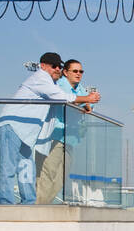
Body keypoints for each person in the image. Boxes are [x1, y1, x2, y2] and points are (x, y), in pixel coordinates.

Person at [0, 53, 99, 204]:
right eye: (53, 66)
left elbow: (70, 98)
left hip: (27, 132)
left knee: (27, 167)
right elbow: (62, 97)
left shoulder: (52, 83)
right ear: (42, 66)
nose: (57, 69)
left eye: (59, 66)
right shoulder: (40, 79)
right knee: (8, 166)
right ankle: (5, 202)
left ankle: (29, 202)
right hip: (12, 126)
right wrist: (87, 99)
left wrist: (86, 103)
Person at [35, 58, 99, 204]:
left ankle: (43, 204)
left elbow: (87, 104)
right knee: (48, 173)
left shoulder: (79, 88)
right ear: (65, 72)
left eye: (81, 71)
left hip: (70, 139)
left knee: (61, 177)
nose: (78, 74)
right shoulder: (60, 85)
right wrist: (85, 101)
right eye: (75, 71)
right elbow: (67, 99)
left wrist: (87, 103)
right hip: (54, 136)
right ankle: (37, 206)